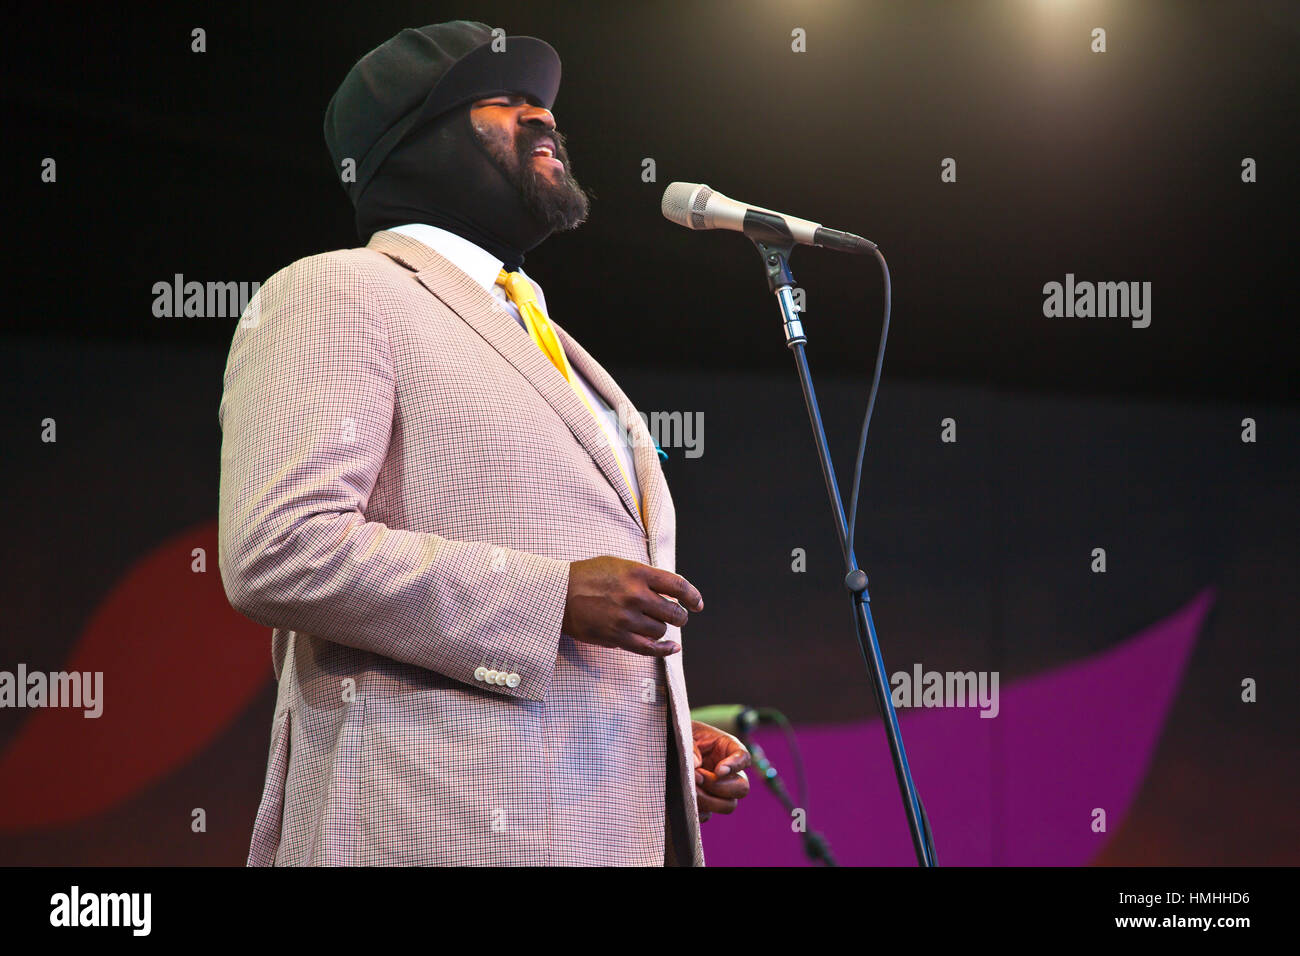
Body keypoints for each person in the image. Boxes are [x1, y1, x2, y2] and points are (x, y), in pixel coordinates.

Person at [218, 20, 750, 866]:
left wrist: (659, 747)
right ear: (411, 142)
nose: (543, 118)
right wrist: (549, 597)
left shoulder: (548, 338)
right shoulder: (338, 291)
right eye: (502, 101)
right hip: (431, 829)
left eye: (544, 101)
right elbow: (280, 550)